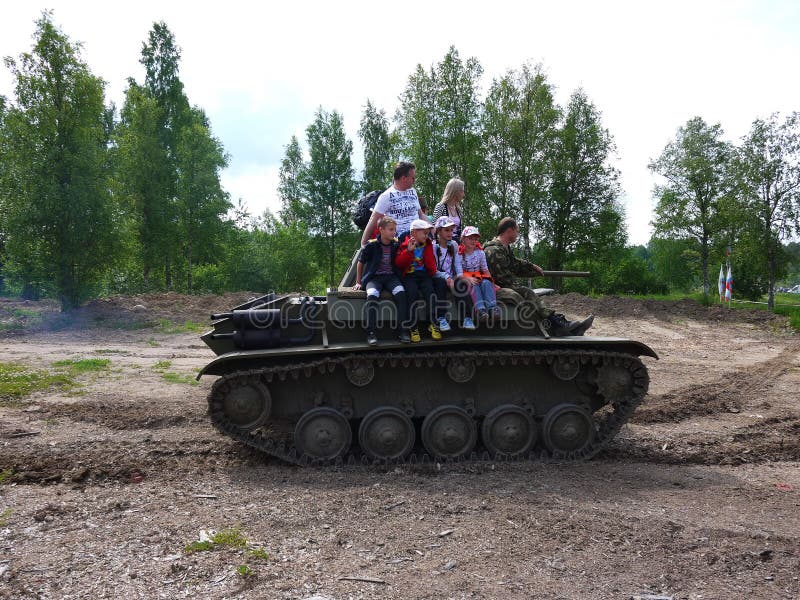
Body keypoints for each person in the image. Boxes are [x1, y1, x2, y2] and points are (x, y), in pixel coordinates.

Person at [484, 217, 594, 336]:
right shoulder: (493, 251)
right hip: (492, 288)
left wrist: (532, 267)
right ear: (509, 230)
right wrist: (521, 287)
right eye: (517, 231)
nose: (517, 234)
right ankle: (557, 324)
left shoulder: (503, 249)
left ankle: (565, 326)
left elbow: (515, 265)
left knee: (527, 294)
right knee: (526, 293)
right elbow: (503, 279)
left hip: (499, 286)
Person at [353, 216, 410, 345]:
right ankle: (371, 333)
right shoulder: (372, 245)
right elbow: (360, 262)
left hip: (391, 277)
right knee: (372, 295)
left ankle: (403, 331)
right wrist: (358, 282)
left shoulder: (395, 244)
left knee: (401, 293)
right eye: (391, 229)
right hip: (375, 278)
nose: (394, 232)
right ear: (381, 230)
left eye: (394, 230)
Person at [395, 219, 442, 342]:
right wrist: (408, 251)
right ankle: (413, 326)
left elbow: (431, 261)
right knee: (412, 294)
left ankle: (433, 323)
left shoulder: (428, 244)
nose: (427, 235)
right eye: (424, 233)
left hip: (424, 275)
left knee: (430, 293)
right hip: (410, 275)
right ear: (414, 233)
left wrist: (432, 271)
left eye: (427, 233)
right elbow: (399, 263)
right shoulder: (405, 244)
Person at [360, 161, 426, 248]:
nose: (414, 180)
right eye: (413, 178)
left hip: (418, 240)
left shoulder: (413, 191)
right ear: (404, 178)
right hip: (399, 244)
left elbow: (421, 214)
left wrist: (433, 229)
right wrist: (364, 243)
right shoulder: (386, 196)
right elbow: (374, 219)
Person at [433, 216, 475, 331]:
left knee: (461, 284)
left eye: (451, 230)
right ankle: (441, 317)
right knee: (440, 284)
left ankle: (467, 317)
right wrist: (447, 277)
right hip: (439, 277)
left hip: (452, 278)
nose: (450, 233)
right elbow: (433, 269)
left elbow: (457, 264)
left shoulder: (454, 245)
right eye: (446, 230)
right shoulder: (433, 246)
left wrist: (461, 276)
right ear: (439, 231)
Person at [458, 226, 501, 321]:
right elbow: (458, 272)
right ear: (463, 239)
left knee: (486, 282)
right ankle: (480, 310)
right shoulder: (459, 253)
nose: (473, 241)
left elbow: (485, 270)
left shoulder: (480, 253)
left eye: (475, 239)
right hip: (465, 277)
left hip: (478, 275)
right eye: (470, 238)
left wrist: (492, 282)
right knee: (474, 285)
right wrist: (468, 278)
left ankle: (492, 308)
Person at [432, 177, 465, 242]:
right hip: (443, 243)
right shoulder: (441, 206)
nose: (463, 194)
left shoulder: (458, 210)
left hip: (456, 243)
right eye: (462, 191)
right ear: (455, 192)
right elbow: (434, 227)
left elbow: (459, 230)